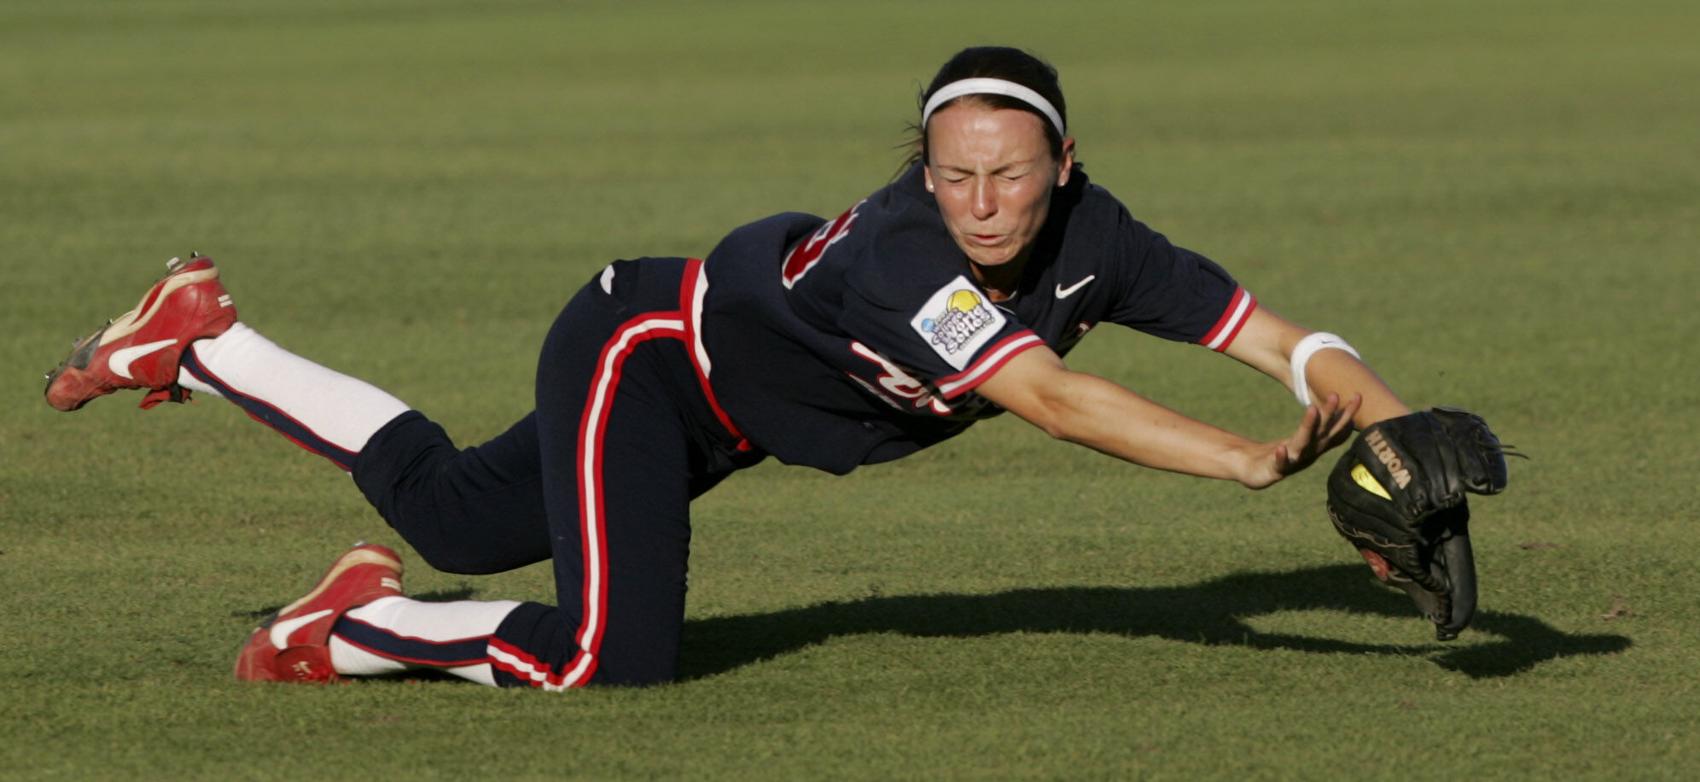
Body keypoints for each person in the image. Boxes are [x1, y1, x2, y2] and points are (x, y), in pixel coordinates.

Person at [44, 46, 1410, 690]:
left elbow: (1279, 342)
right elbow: (1048, 398)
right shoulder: (902, 254)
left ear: (1065, 162)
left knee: (454, 517)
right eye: (954, 173)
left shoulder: (1105, 243)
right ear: (924, 168)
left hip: (716, 414)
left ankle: (203, 340)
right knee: (609, 661)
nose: (982, 202)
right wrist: (1247, 464)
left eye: (1010, 173)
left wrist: (1405, 434)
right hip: (644, 356)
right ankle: (340, 634)